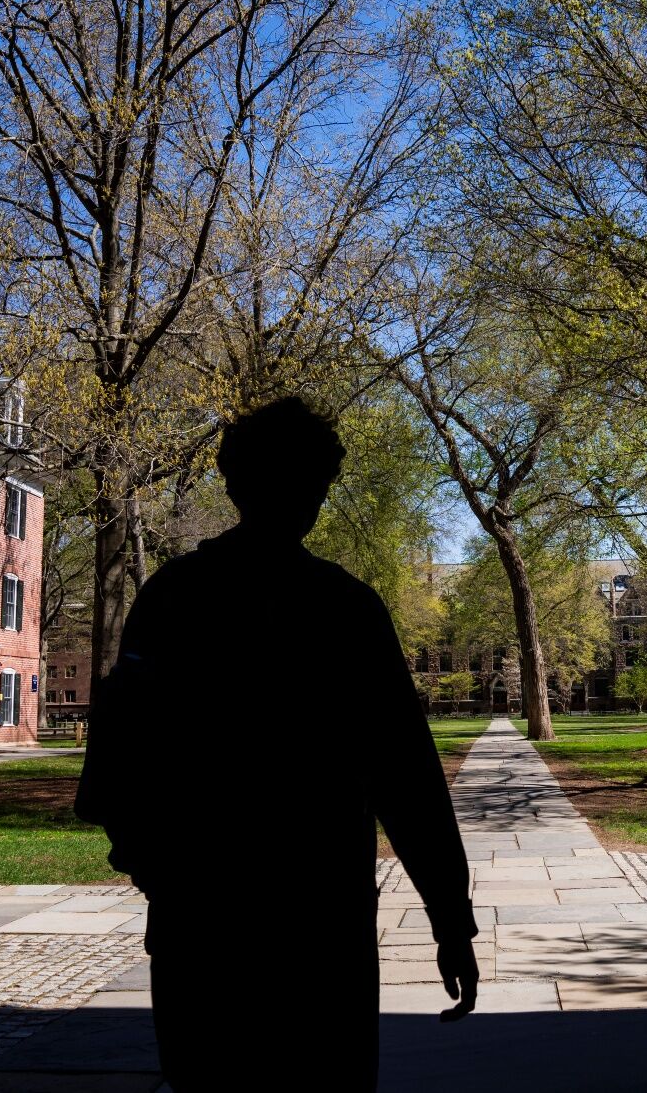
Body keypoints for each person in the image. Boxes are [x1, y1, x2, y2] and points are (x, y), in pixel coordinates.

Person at [76, 397, 479, 1089]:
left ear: (233, 484)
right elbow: (405, 775)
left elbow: (115, 757)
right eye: (310, 484)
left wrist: (154, 865)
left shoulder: (172, 598)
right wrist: (449, 914)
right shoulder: (347, 609)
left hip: (204, 921)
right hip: (317, 922)